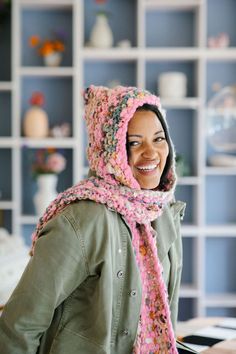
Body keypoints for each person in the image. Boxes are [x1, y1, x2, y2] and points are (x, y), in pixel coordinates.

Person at [0, 85, 186, 354]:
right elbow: (18, 328)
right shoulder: (80, 220)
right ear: (109, 151)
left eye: (158, 138)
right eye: (134, 142)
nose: (151, 152)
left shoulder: (163, 212)